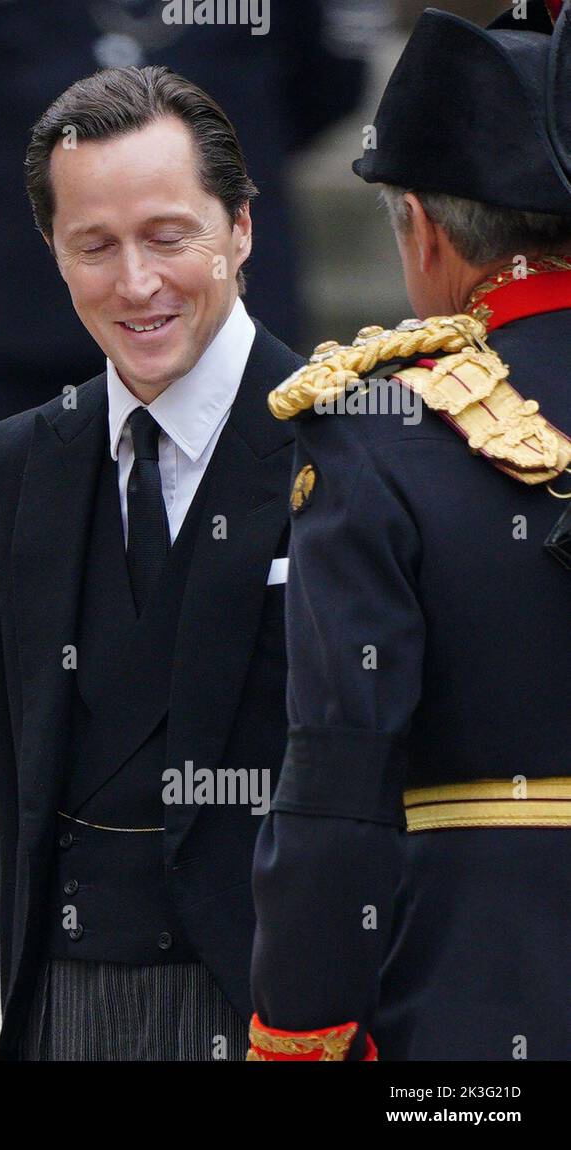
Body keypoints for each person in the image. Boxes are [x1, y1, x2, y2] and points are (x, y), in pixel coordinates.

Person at [0, 0, 376, 974]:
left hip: (220, 313)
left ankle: (242, 870)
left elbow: (328, 76)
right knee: (9, 614)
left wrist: (174, 183)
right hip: (18, 319)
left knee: (243, 593)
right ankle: (2, 876)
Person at [249, 2, 571, 1061]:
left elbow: (334, 790)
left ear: (424, 230)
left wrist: (296, 1030)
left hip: (473, 1009)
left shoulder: (375, 433)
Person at [0, 64, 303, 1060]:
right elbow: (13, 765)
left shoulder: (351, 442)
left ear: (239, 228)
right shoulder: (15, 462)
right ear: (51, 252)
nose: (136, 283)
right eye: (94, 247)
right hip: (62, 1005)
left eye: (167, 236)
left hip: (279, 1006)